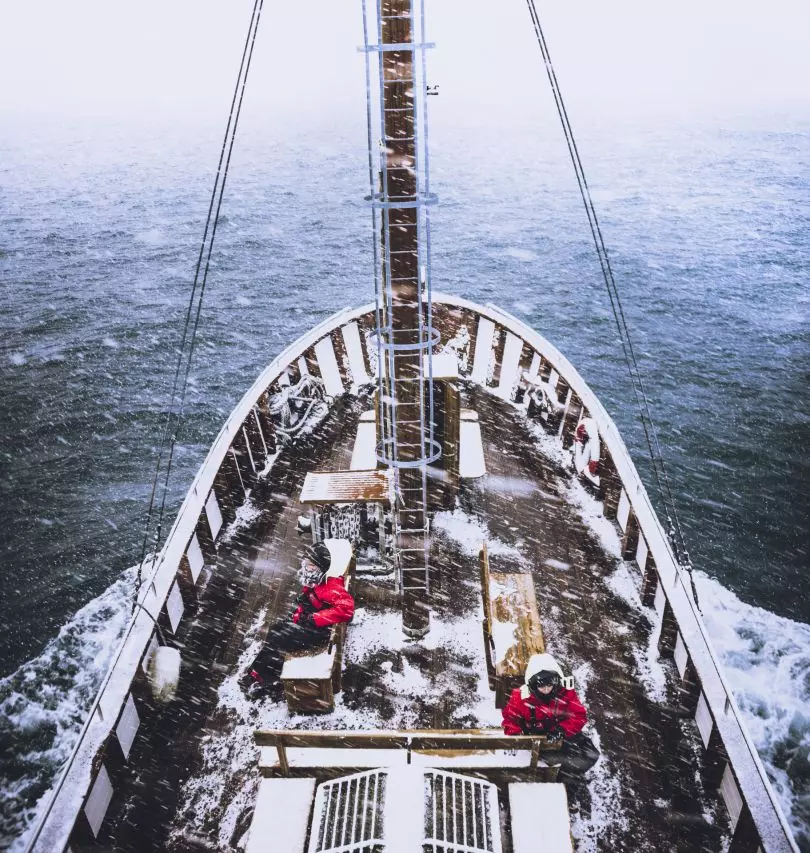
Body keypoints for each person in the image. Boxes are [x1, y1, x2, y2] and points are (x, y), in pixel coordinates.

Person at [245, 542, 354, 694]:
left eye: (311, 566)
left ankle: (259, 675)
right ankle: (270, 667)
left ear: (321, 567)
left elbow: (347, 610)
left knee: (279, 638)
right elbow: (308, 602)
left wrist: (314, 618)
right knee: (276, 630)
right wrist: (301, 616)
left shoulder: (331, 586)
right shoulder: (319, 581)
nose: (307, 568)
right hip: (315, 626)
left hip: (321, 633)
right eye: (307, 564)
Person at [502, 653, 600, 785]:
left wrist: (562, 730)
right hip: (537, 738)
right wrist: (518, 734)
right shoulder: (520, 697)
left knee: (591, 754)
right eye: (542, 687)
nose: (547, 690)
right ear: (533, 685)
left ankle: (569, 774)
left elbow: (579, 715)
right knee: (561, 759)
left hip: (560, 733)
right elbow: (510, 718)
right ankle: (563, 778)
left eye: (550, 685)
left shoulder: (566, 693)